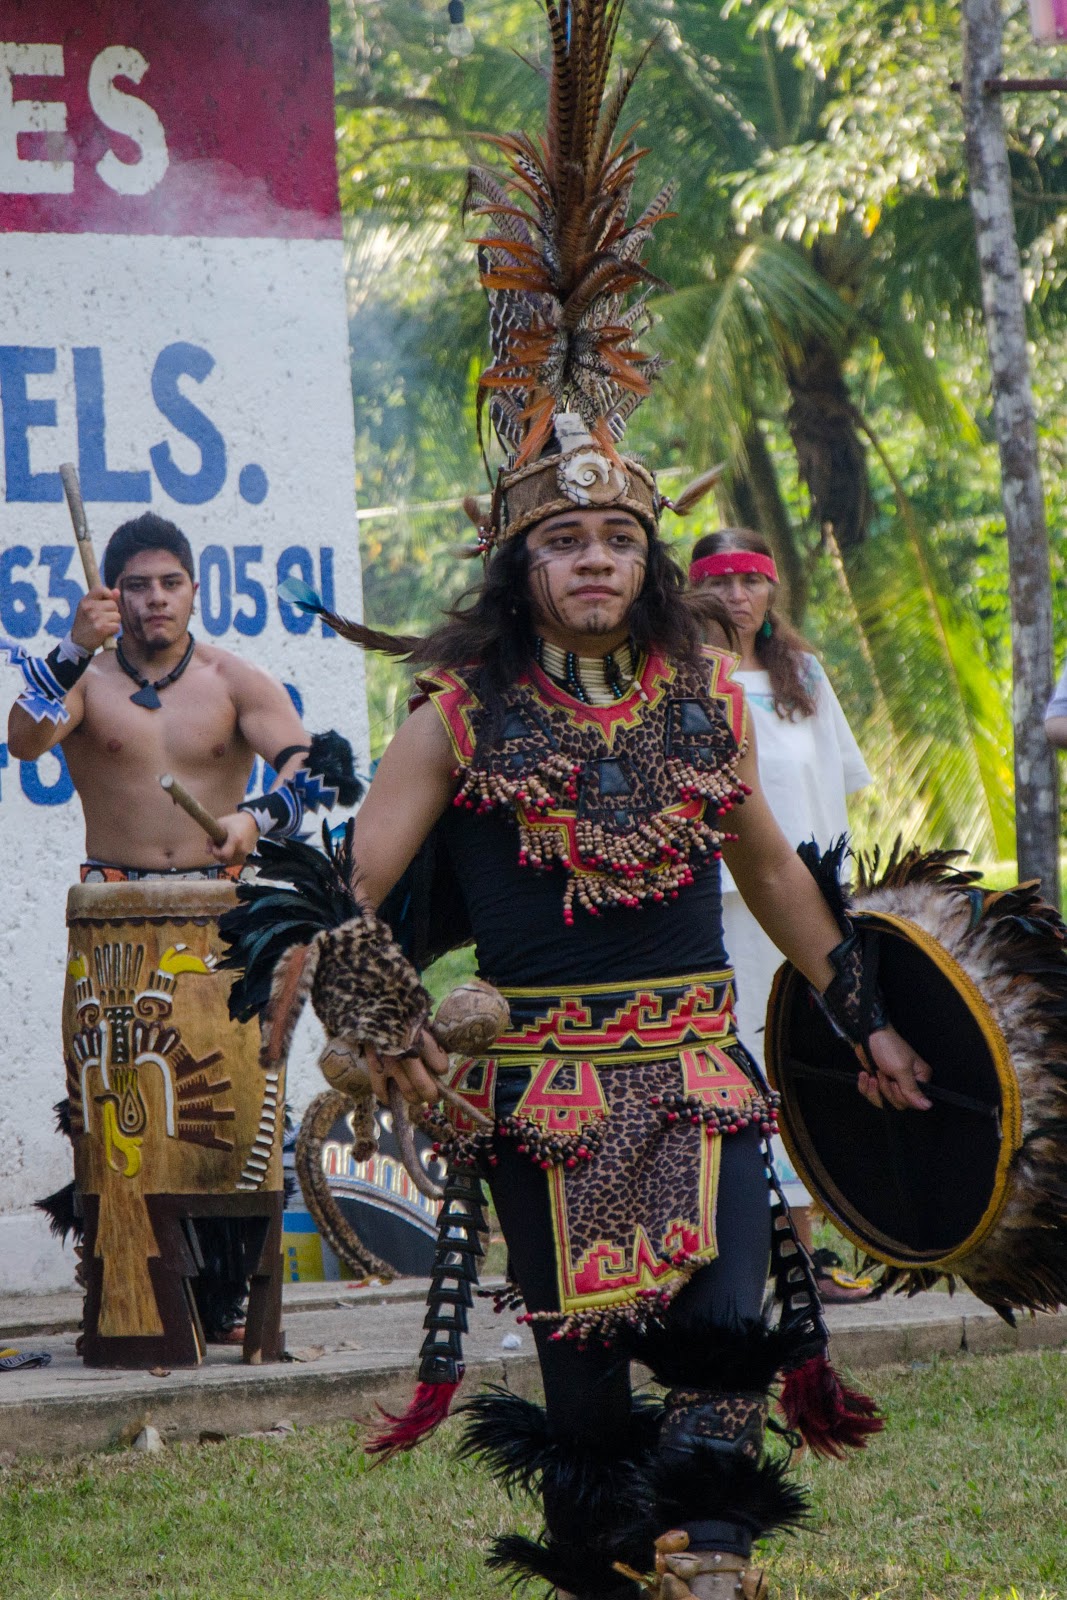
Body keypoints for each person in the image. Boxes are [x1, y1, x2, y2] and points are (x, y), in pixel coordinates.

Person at [223, 7, 932, 1593]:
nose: (595, 559)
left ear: (647, 562)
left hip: (698, 1078)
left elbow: (768, 875)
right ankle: (621, 1565)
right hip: (541, 1100)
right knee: (586, 1393)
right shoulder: (456, 713)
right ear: (519, 565)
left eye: (616, 540)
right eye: (564, 543)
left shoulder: (698, 708)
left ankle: (710, 1559)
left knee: (722, 1340)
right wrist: (367, 989)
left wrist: (862, 1005)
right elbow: (350, 882)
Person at [4, 509, 358, 1341]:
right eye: (136, 586)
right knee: (119, 1106)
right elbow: (23, 740)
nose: (154, 600)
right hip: (114, 922)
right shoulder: (81, 681)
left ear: (195, 591)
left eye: (170, 584)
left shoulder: (234, 680)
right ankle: (129, 1289)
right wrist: (66, 647)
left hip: (223, 920)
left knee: (226, 1110)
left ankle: (226, 1301)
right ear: (112, 596)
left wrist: (259, 819)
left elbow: (317, 769)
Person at [689, 529, 875, 1302]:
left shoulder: (805, 676)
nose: (737, 595)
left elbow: (838, 784)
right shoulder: (686, 678)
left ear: (772, 591)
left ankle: (805, 1255)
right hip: (729, 901)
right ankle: (736, 1256)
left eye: (751, 580)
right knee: (741, 1067)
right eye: (721, 581)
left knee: (810, 1060)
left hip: (811, 902)